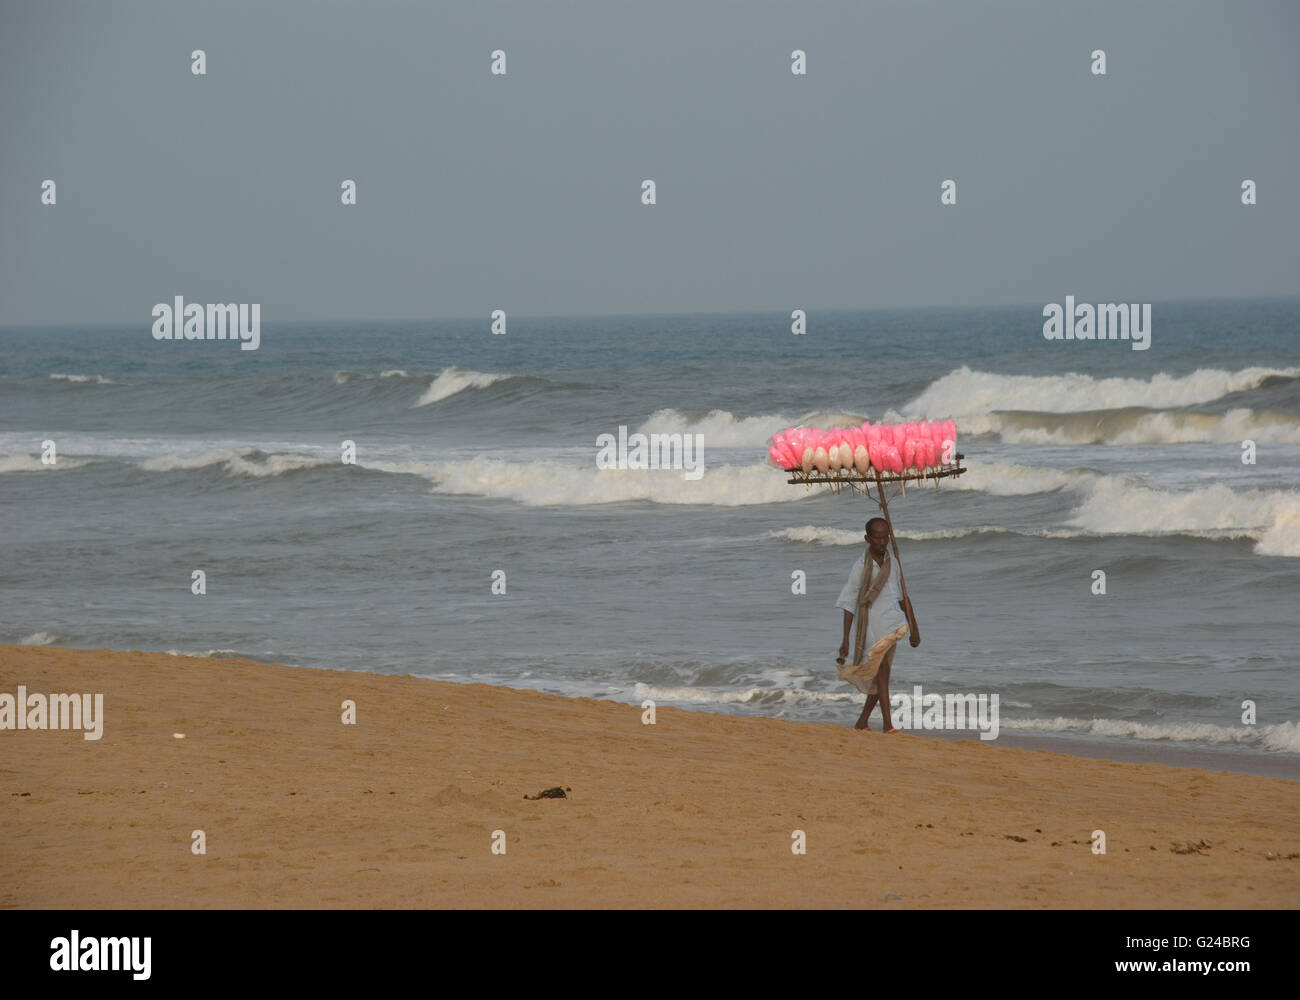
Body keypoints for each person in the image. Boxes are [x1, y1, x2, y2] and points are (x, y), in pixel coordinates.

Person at [835, 517, 919, 731]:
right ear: (867, 539)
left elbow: (903, 598)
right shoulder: (860, 567)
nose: (882, 542)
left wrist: (915, 628)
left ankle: (862, 722)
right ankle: (888, 725)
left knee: (882, 675)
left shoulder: (894, 562)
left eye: (885, 538)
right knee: (882, 673)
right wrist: (845, 639)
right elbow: (848, 603)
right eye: (877, 538)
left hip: (895, 625)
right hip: (873, 629)